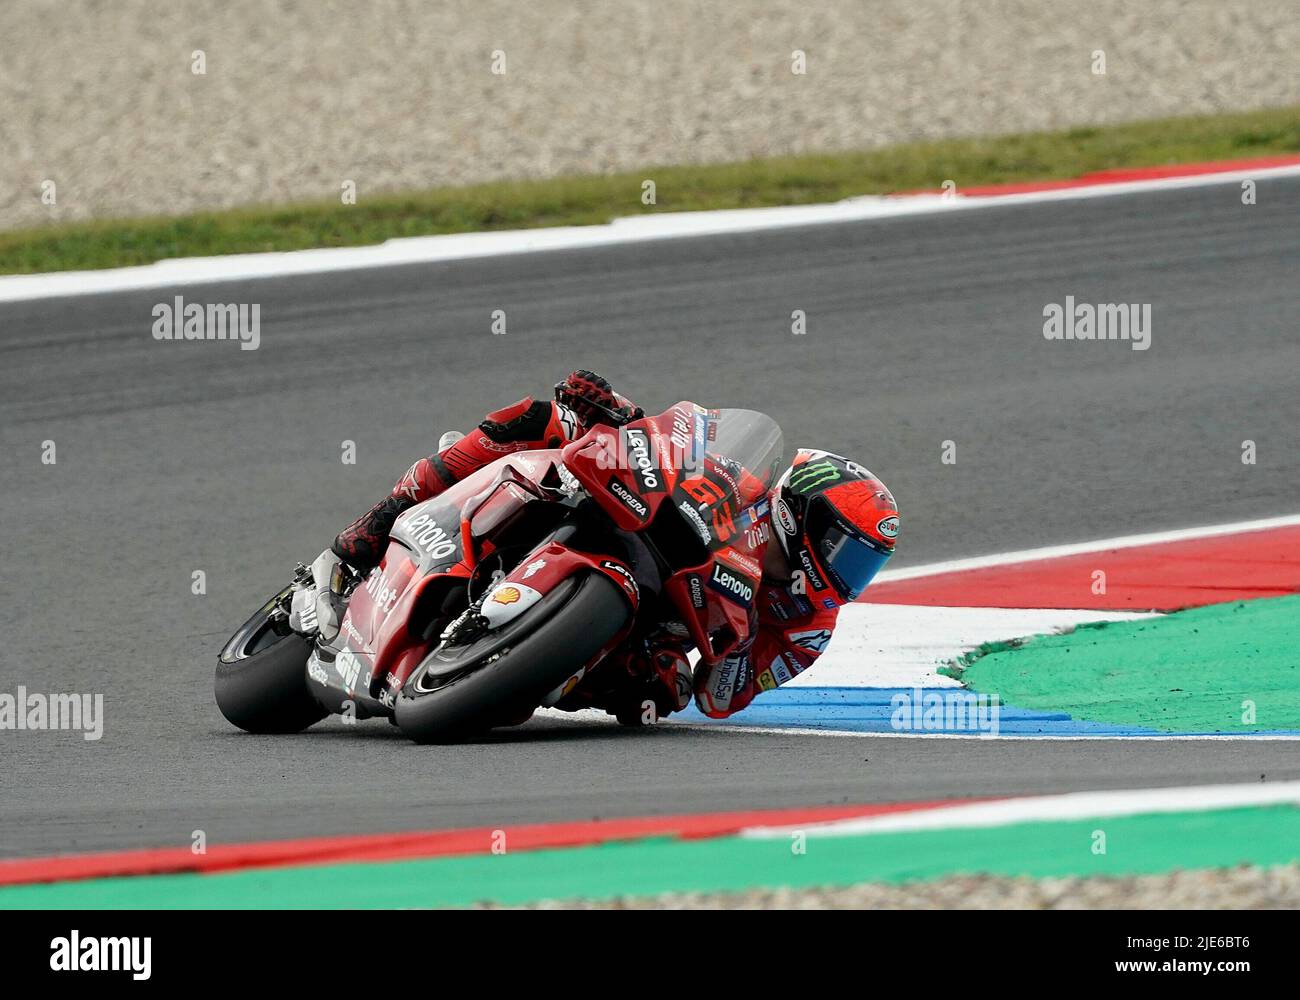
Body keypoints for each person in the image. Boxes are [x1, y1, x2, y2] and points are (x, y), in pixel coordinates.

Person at [303, 370, 899, 721]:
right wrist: (619, 417)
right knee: (542, 420)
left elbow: (724, 699)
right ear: (800, 516)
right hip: (619, 521)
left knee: (659, 693)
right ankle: (362, 538)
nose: (851, 578)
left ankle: (515, 663)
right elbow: (676, 442)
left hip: (652, 627)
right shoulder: (742, 482)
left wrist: (726, 651)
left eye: (866, 566)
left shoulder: (809, 627)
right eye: (848, 553)